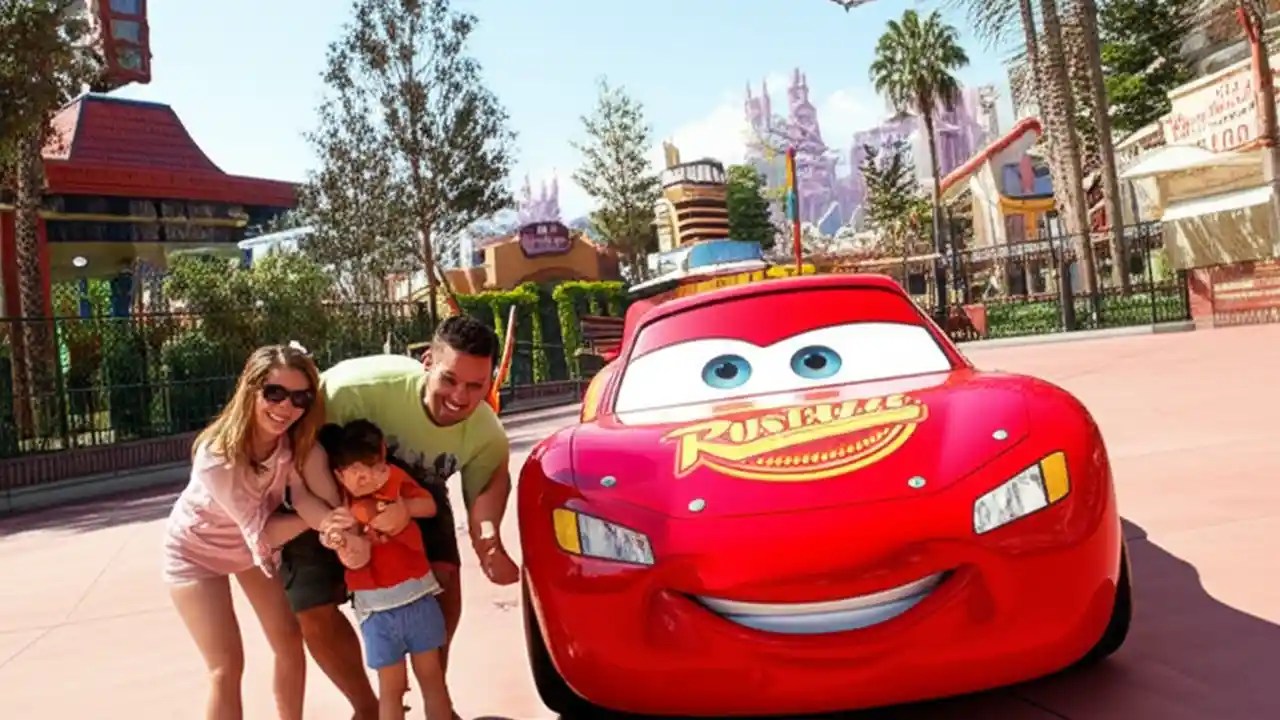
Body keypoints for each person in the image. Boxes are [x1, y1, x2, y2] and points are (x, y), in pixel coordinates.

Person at [280, 315, 520, 715]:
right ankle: (367, 708)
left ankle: (435, 700)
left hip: (416, 488)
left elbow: (487, 489)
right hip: (326, 485)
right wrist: (337, 518)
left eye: (475, 385)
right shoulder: (355, 389)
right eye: (449, 379)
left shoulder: (485, 432)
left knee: (445, 578)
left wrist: (489, 543)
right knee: (310, 600)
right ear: (427, 361)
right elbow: (300, 441)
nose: (460, 397)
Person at [162, 343, 360, 720]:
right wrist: (319, 523)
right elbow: (262, 534)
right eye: (274, 393)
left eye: (299, 397)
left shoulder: (289, 444)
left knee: (288, 640)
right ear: (250, 389)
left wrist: (332, 523)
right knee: (226, 667)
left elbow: (301, 496)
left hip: (246, 549)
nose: (286, 407)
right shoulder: (216, 455)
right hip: (195, 552)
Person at [318, 419, 456, 720]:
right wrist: (338, 539)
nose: (368, 476)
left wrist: (405, 508)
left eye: (375, 466)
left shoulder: (395, 480)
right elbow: (331, 534)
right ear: (341, 473)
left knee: (432, 679)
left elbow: (429, 505)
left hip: (417, 596)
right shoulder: (339, 501)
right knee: (392, 689)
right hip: (376, 611)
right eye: (357, 470)